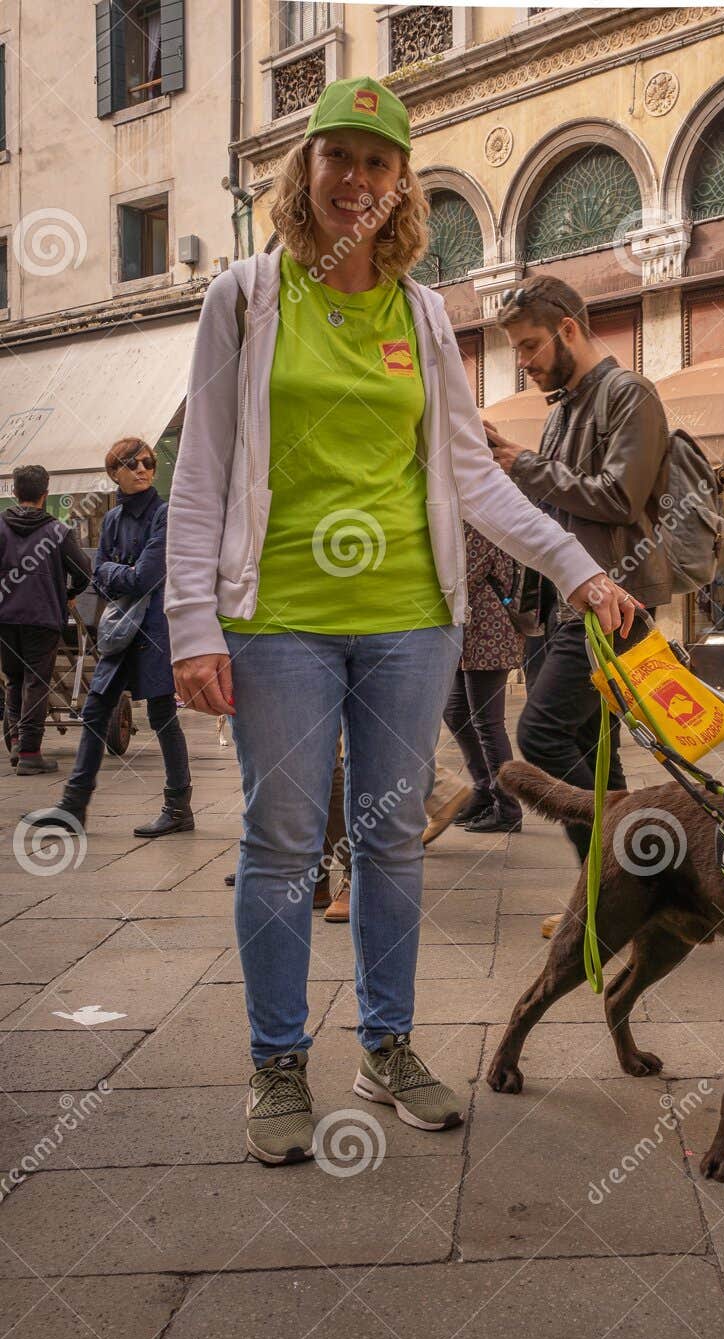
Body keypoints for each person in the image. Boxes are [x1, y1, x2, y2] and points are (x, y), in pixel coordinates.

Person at [161, 76, 635, 1167]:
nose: (357, 182)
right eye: (340, 159)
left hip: (412, 620)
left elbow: (473, 475)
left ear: (400, 185)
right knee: (282, 847)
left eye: (380, 165)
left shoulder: (423, 314)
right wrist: (193, 622)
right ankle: (279, 1060)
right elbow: (201, 472)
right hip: (277, 616)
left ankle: (388, 1046)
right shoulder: (243, 296)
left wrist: (575, 571)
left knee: (389, 843)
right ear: (306, 170)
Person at [483, 274, 671, 856]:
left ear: (568, 329)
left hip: (615, 597)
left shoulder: (629, 394)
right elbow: (558, 504)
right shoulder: (564, 410)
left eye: (529, 345)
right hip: (563, 604)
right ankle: (620, 889)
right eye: (515, 349)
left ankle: (629, 875)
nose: (523, 362)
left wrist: (525, 465)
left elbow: (619, 497)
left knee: (539, 734)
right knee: (595, 753)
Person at [29, 439, 193, 832]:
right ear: (113, 473)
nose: (143, 469)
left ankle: (178, 809)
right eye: (132, 464)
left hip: (155, 628)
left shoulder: (165, 514)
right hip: (121, 630)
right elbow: (98, 578)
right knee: (95, 710)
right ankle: (73, 805)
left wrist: (118, 573)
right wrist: (121, 574)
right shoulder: (115, 520)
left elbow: (144, 576)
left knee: (161, 715)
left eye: (148, 463)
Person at [0, 465, 91, 774]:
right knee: (36, 682)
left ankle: (15, 741)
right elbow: (83, 570)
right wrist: (70, 593)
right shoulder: (58, 531)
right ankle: (28, 752)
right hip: (42, 617)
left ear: (14, 492)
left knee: (14, 680)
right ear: (46, 494)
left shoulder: (0, 526)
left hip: (5, 617)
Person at [445, 524, 523, 834]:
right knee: (455, 712)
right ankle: (483, 789)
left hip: (489, 634)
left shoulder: (481, 520)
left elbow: (464, 575)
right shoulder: (461, 516)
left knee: (487, 723)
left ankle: (508, 807)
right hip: (466, 633)